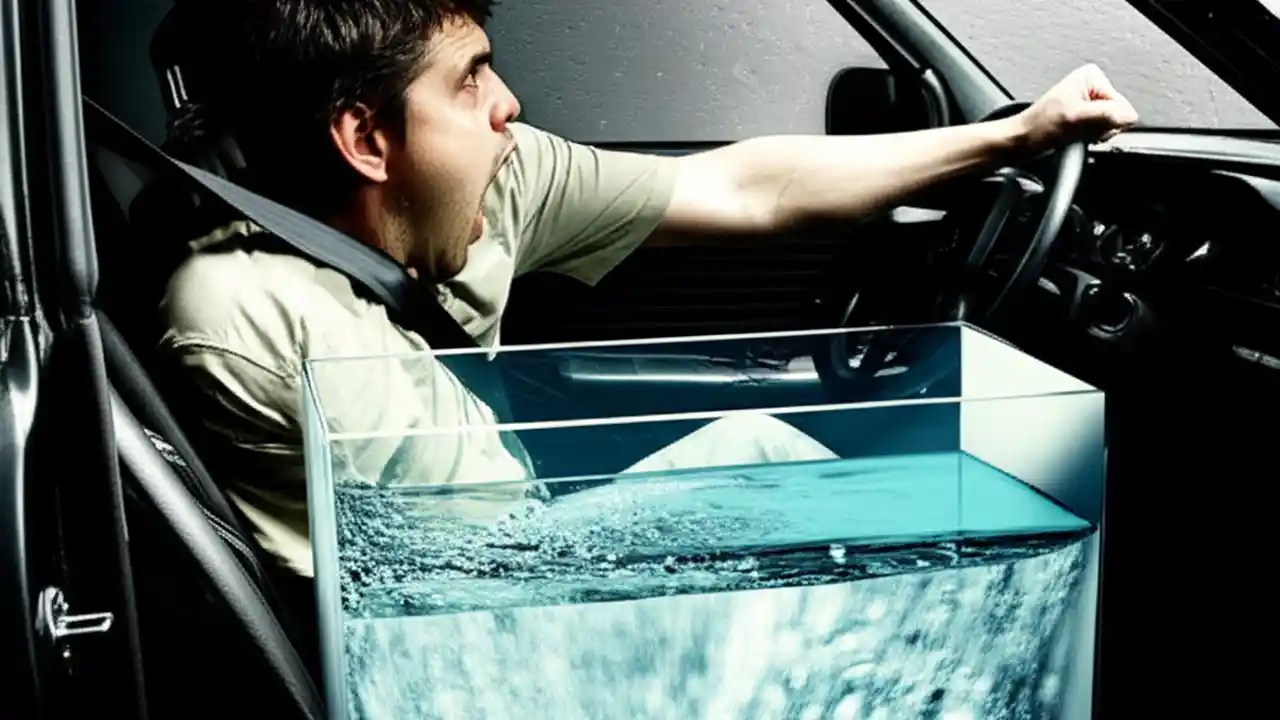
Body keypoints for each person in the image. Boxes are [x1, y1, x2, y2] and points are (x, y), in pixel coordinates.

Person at [154, 0, 1138, 579]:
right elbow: (470, 585)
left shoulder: (495, 176)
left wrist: (1014, 138)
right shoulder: (252, 314)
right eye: (470, 81)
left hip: (517, 540)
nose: (509, 108)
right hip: (484, 598)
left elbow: (749, 188)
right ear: (367, 140)